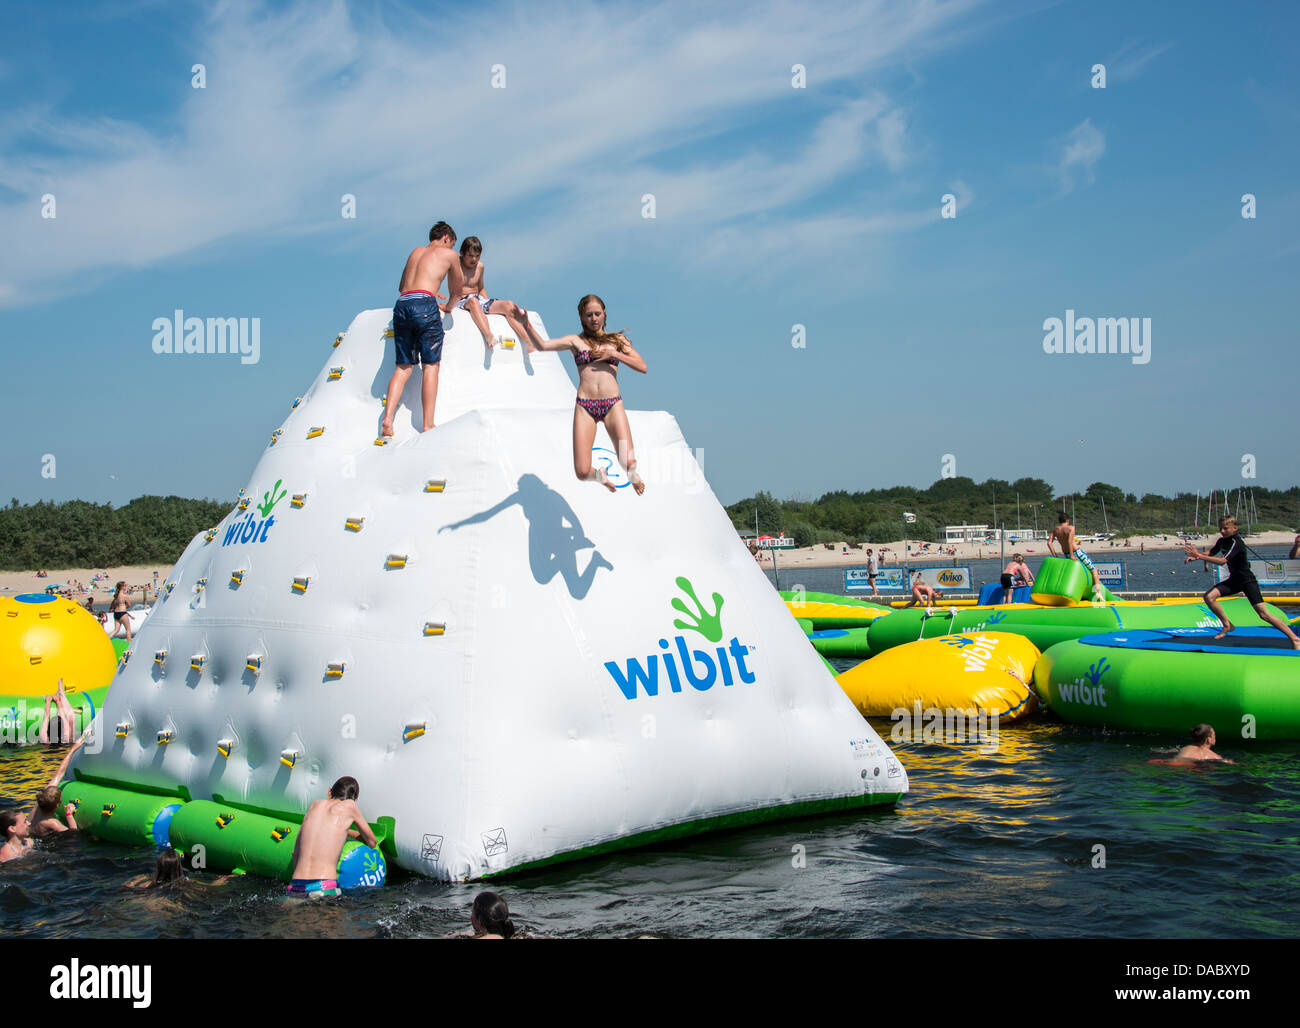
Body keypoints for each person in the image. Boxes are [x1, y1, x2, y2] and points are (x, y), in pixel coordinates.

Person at [522, 294, 647, 494]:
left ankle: (633, 477)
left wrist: (614, 354)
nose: (594, 319)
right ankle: (600, 476)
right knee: (581, 472)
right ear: (582, 317)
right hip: (585, 407)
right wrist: (526, 324)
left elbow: (642, 366)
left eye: (597, 314)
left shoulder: (617, 340)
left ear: (604, 314)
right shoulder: (575, 341)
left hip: (612, 405)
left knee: (629, 462)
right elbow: (543, 346)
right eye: (589, 315)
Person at [381, 222, 466, 436]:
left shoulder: (415, 252)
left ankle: (388, 418)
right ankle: (428, 423)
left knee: (403, 367)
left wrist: (430, 289)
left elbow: (403, 287)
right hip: (424, 307)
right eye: (452, 244)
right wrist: (448, 306)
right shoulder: (449, 255)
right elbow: (458, 288)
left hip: (402, 305)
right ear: (447, 237)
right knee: (431, 365)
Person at [1184, 516, 1300, 648]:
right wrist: (1195, 557)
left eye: (1225, 528)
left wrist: (1199, 556)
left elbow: (1222, 561)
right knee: (1209, 597)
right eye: (1220, 528)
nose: (1222, 531)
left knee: (1264, 615)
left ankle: (1294, 638)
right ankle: (1227, 624)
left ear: (1235, 528)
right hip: (1234, 580)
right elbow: (1211, 552)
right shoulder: (1222, 541)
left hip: (1247, 580)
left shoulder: (1236, 542)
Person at [287, 776, 377, 899]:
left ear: (329, 792)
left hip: (296, 886)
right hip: (323, 886)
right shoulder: (350, 806)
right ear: (355, 799)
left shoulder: (314, 805)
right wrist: (348, 831)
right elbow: (372, 842)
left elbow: (294, 853)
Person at [448, 237, 539, 352]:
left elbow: (481, 288)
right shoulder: (454, 264)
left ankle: (529, 342)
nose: (474, 259)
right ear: (462, 253)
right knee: (473, 302)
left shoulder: (480, 266)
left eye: (477, 256)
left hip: (478, 299)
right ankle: (488, 336)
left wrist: (490, 307)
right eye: (470, 255)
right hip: (460, 300)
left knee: (509, 305)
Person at [30, 732, 85, 836]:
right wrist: (69, 815)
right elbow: (73, 834)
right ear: (57, 805)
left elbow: (59, 774)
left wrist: (73, 749)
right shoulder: (53, 823)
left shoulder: (37, 806)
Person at [1047, 513, 1101, 599]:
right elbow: (1069, 542)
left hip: (1066, 554)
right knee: (1094, 571)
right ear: (1067, 520)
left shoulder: (1056, 530)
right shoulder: (1071, 528)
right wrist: (1072, 555)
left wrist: (1055, 555)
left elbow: (1049, 543)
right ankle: (1098, 593)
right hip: (1076, 552)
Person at [39, 679, 79, 745]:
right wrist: (58, 701)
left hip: (49, 751)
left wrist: (48, 701)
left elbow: (46, 716)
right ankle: (61, 694)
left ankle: (60, 694)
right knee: (72, 718)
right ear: (62, 730)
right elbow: (62, 715)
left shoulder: (44, 738)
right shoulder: (66, 738)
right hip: (65, 748)